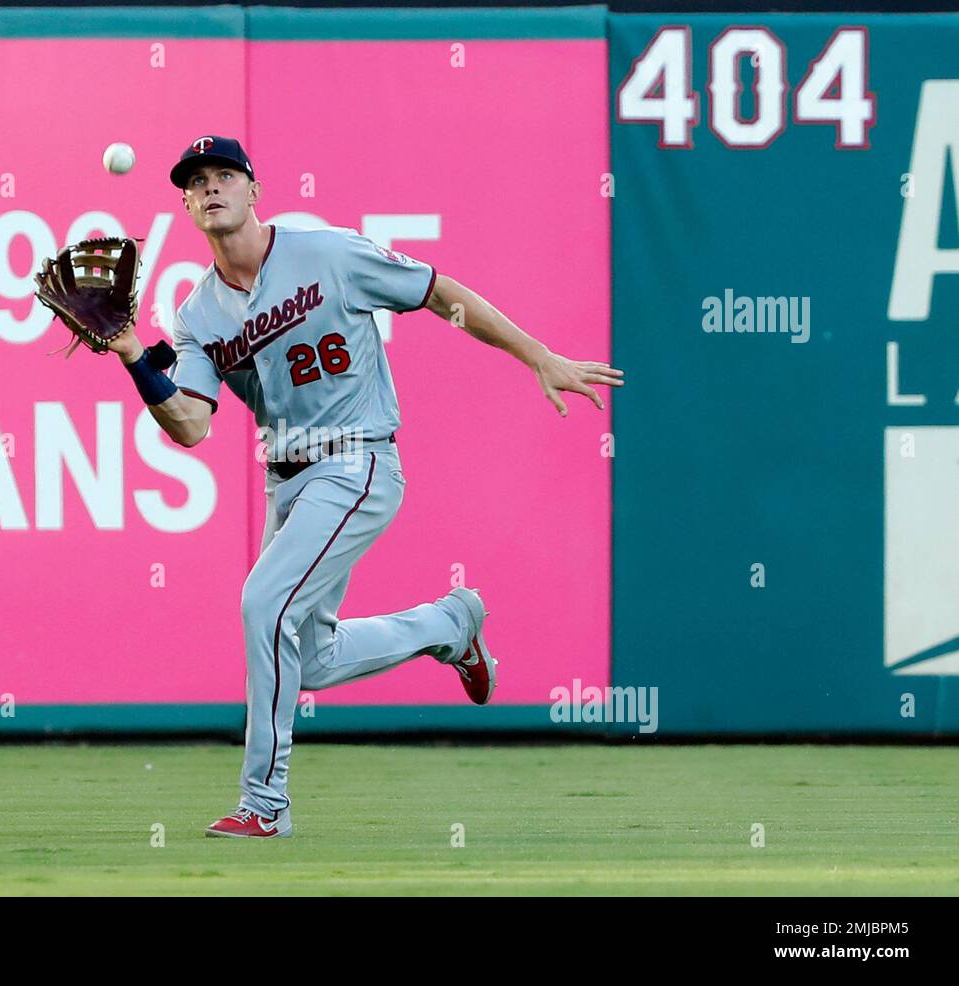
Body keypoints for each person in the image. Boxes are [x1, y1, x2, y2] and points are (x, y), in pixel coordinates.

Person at [102, 136, 624, 838]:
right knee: (309, 658)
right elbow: (191, 425)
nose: (212, 187)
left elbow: (441, 295)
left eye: (225, 174)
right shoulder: (197, 315)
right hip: (286, 482)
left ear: (256, 191)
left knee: (263, 604)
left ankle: (265, 804)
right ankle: (451, 624)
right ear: (186, 205)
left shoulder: (329, 253)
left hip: (358, 461)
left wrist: (538, 356)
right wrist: (137, 357)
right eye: (197, 182)